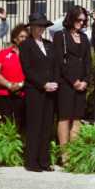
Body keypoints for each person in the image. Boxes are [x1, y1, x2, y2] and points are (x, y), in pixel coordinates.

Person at [20, 13, 60, 172]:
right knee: (35, 126)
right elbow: (27, 69)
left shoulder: (49, 44)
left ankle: (44, 160)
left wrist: (55, 82)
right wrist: (43, 84)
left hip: (51, 90)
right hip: (35, 90)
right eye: (37, 26)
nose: (40, 29)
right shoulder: (26, 45)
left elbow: (56, 65)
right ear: (31, 27)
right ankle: (31, 161)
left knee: (46, 126)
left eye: (42, 26)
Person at [53, 6, 93, 161]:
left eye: (83, 20)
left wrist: (85, 81)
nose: (81, 23)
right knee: (64, 117)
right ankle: (64, 155)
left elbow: (88, 62)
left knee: (77, 118)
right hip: (66, 83)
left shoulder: (84, 37)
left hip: (81, 83)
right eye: (78, 19)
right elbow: (59, 62)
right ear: (71, 18)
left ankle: (74, 153)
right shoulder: (60, 36)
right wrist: (74, 81)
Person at [0, 24, 29, 134]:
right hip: (4, 93)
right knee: (6, 122)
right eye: (22, 36)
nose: (24, 39)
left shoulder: (31, 55)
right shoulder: (3, 53)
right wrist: (9, 85)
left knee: (21, 123)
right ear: (15, 38)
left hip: (23, 93)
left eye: (26, 37)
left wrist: (20, 85)